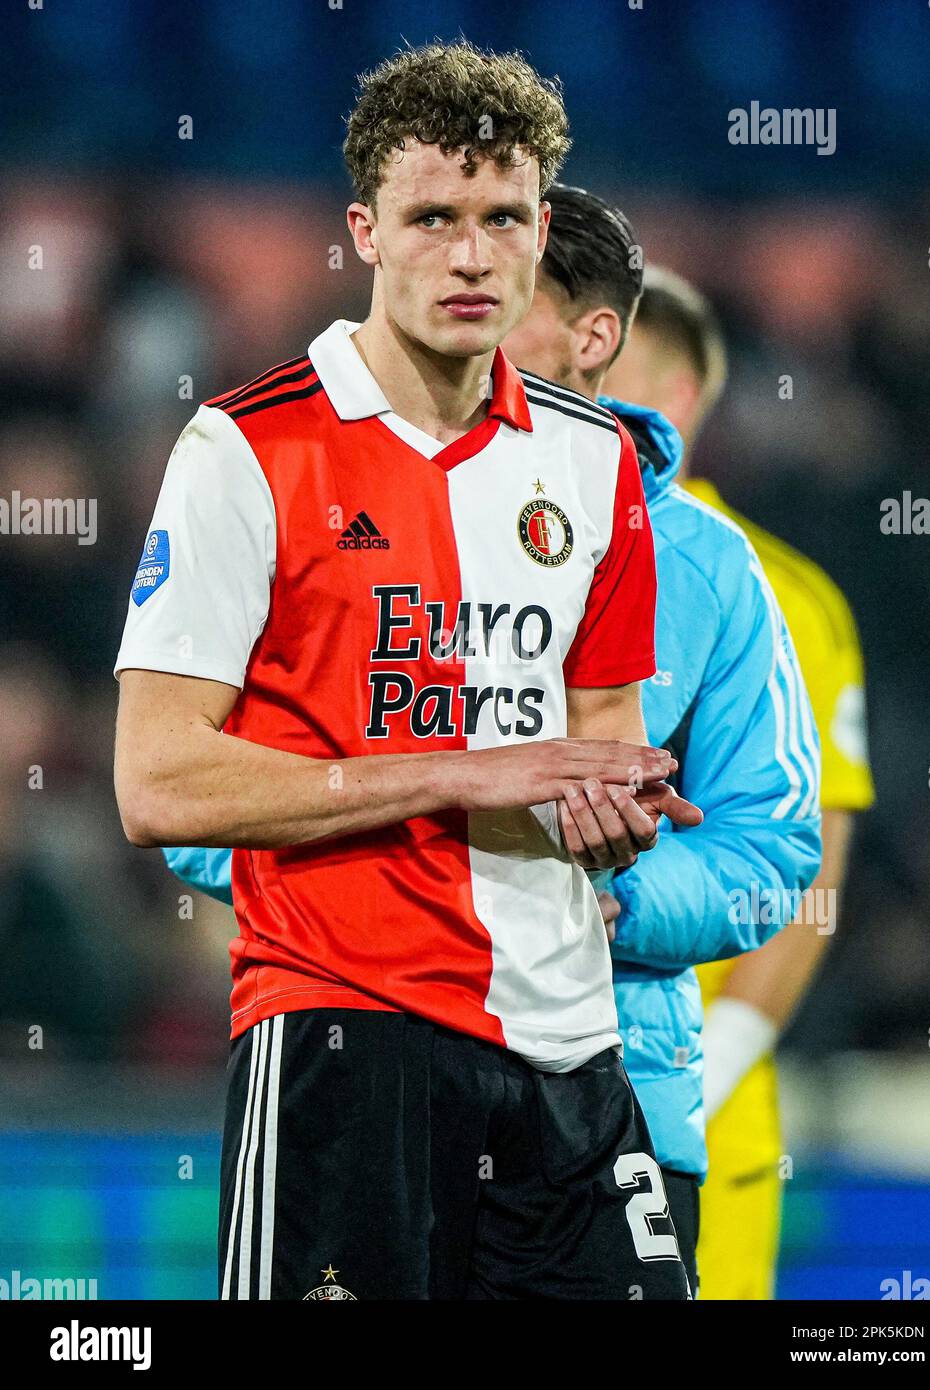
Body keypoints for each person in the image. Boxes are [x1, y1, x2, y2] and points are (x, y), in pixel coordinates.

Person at [113, 42, 702, 1302]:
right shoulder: (243, 449)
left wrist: (618, 816)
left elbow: (602, 742)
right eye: (433, 216)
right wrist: (464, 771)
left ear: (544, 233)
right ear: (364, 230)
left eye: (502, 218)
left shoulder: (600, 465)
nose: (472, 254)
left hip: (571, 1048)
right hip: (342, 1027)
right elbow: (156, 782)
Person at [165, 183, 822, 1298]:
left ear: (591, 335)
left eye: (503, 287)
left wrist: (619, 902)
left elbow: (773, 852)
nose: (454, 309)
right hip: (369, 1049)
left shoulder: (712, 572)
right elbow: (191, 793)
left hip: (620, 1095)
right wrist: (413, 890)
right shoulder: (331, 494)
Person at [604, 267, 874, 1299]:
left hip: (689, 1120)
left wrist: (705, 1074)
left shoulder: (771, 594)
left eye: (594, 357)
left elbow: (810, 880)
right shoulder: (527, 551)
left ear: (670, 398)